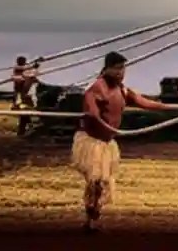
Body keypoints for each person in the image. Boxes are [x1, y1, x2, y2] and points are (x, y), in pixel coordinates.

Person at [72, 51, 171, 233]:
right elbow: (91, 110)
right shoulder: (96, 87)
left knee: (103, 183)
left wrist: (168, 108)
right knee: (96, 180)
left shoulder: (123, 89)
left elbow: (143, 102)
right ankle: (90, 217)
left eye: (123, 68)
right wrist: (98, 119)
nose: (120, 72)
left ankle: (92, 218)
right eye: (116, 69)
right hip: (91, 141)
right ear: (107, 68)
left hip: (107, 142)